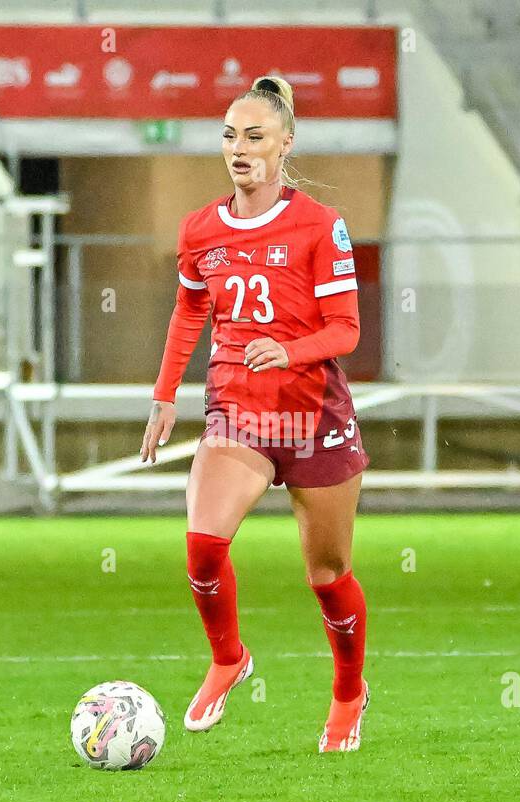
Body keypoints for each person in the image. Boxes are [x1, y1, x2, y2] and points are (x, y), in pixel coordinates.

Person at [140, 75, 371, 752]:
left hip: (314, 418)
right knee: (204, 544)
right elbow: (189, 310)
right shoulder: (201, 231)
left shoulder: (319, 226)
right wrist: (164, 394)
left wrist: (290, 351)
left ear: (284, 143)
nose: (239, 149)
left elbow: (347, 331)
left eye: (255, 136)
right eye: (229, 136)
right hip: (237, 413)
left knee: (327, 575)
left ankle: (349, 691)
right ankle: (228, 658)